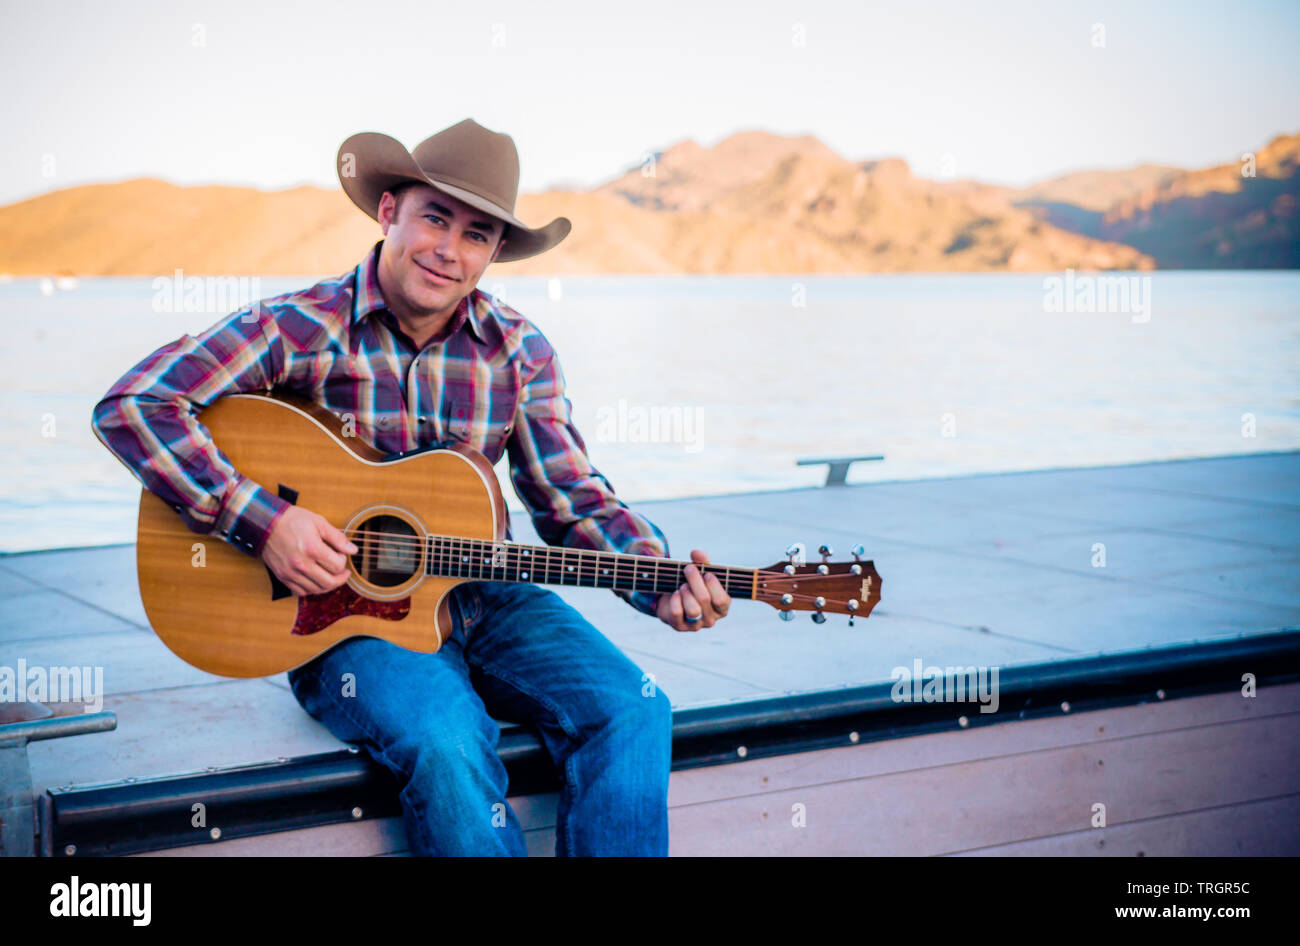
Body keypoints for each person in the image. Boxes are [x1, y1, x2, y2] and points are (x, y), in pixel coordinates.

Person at [91, 118, 732, 856]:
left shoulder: (519, 350)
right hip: (343, 617)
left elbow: (572, 497)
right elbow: (136, 405)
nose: (448, 251)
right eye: (435, 217)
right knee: (447, 742)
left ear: (494, 251)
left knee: (635, 709)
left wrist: (660, 581)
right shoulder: (299, 327)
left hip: (489, 594)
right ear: (389, 210)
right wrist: (264, 522)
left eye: (477, 234)